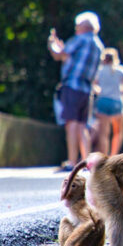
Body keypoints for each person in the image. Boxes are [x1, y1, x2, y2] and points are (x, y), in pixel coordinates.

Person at [48, 11, 104, 170]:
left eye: (77, 26)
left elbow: (60, 55)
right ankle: (87, 162)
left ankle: (71, 162)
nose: (75, 29)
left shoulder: (80, 39)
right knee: (82, 125)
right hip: (87, 90)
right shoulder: (98, 45)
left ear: (83, 27)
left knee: (71, 123)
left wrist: (52, 44)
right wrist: (63, 49)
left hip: (72, 85)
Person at [92, 47, 123, 156]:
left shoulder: (99, 71)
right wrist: (119, 90)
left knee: (104, 134)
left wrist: (100, 91)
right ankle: (114, 156)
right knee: (118, 132)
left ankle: (105, 156)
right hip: (117, 102)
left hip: (103, 101)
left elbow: (94, 85)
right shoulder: (122, 70)